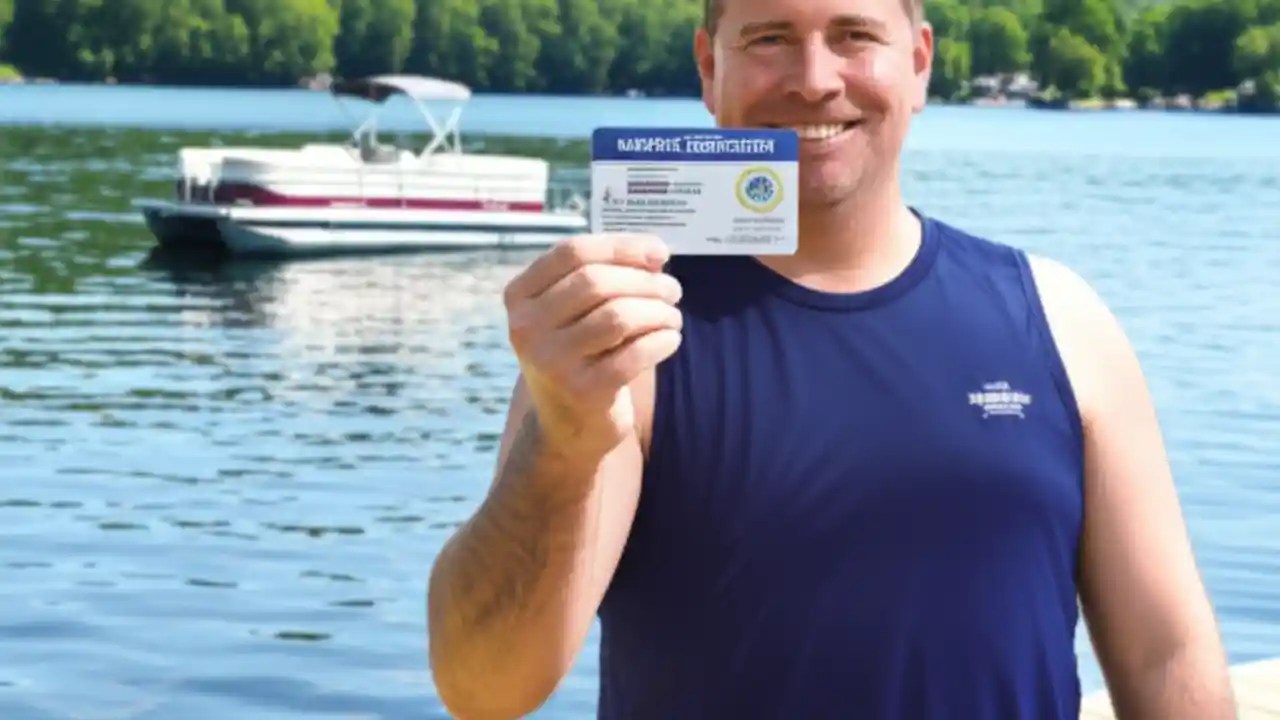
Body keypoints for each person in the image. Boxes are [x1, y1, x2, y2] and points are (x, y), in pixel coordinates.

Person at [426, 0, 1238, 717]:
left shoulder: (1061, 319)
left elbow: (1165, 654)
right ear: (711, 68)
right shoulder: (624, 338)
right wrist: (562, 446)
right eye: (771, 38)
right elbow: (484, 688)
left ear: (918, 63)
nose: (814, 80)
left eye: (854, 35)